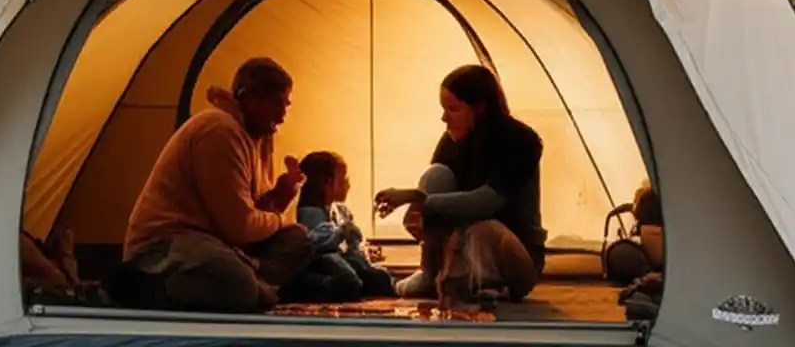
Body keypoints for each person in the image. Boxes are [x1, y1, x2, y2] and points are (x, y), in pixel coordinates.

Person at [107, 57, 313, 313]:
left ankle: (248, 279)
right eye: (277, 103)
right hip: (167, 244)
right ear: (248, 97)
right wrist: (279, 219)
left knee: (298, 240)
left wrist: (279, 197)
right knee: (237, 286)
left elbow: (246, 215)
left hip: (216, 244)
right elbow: (240, 227)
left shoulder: (253, 138)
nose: (282, 116)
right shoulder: (219, 130)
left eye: (286, 105)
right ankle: (145, 286)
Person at [373, 64, 545, 305]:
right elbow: (436, 196)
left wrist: (419, 200)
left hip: (510, 255)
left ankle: (486, 284)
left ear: (479, 108)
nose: (445, 118)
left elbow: (487, 202)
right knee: (437, 175)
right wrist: (421, 218)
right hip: (462, 244)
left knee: (484, 229)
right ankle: (432, 272)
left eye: (453, 109)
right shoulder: (453, 139)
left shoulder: (520, 141)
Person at [292, 151, 395, 302]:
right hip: (322, 265)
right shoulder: (309, 213)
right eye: (342, 180)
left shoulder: (339, 209)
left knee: (380, 278)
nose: (348, 184)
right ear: (327, 184)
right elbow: (319, 248)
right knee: (351, 280)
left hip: (345, 260)